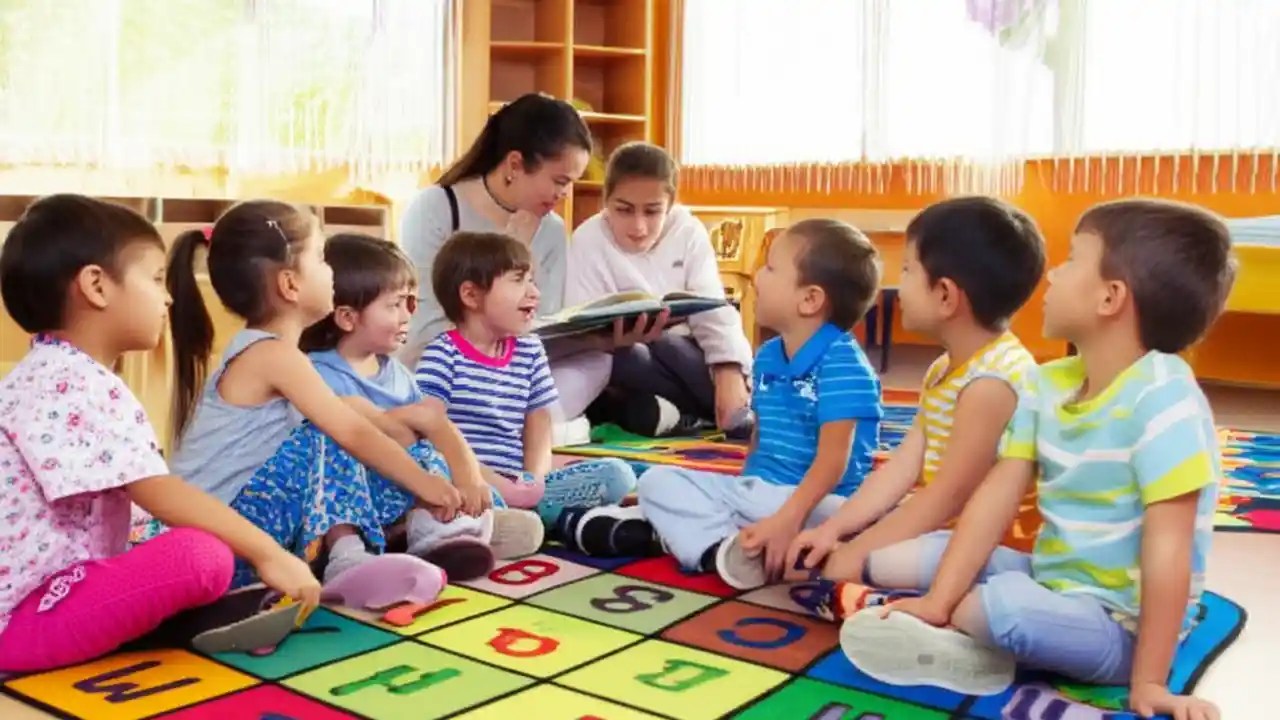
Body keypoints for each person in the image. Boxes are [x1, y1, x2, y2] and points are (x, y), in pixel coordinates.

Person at [844, 199, 1234, 720]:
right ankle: (961, 628)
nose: (1052, 274)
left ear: (1110, 298)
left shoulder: (1165, 399)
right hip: (1053, 579)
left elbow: (1170, 551)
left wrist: (1148, 682)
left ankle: (972, 647)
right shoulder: (1046, 384)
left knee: (997, 606)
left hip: (1121, 627)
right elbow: (995, 497)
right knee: (910, 558)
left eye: (1072, 260)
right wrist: (937, 600)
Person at [0, 195, 319, 672]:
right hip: (23, 619)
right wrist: (269, 554)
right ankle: (171, 625)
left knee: (175, 539)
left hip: (46, 594)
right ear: (96, 287)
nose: (167, 296)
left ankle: (173, 621)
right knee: (202, 556)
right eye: (153, 280)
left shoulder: (46, 372)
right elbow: (158, 491)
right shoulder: (71, 380)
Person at [166, 200, 464, 606]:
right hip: (227, 539)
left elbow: (363, 423)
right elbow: (352, 432)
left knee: (375, 443)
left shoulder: (278, 356)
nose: (331, 272)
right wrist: (424, 482)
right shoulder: (272, 355)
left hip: (241, 533)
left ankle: (429, 528)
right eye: (322, 259)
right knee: (327, 437)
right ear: (290, 285)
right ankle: (349, 558)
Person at [786, 197, 1047, 606]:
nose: (898, 282)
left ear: (945, 295)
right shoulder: (945, 367)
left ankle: (894, 603)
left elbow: (947, 496)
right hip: (937, 526)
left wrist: (855, 554)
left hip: (986, 548)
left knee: (880, 559)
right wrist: (835, 530)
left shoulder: (992, 383)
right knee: (820, 517)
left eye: (907, 269)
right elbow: (903, 469)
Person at [637, 219, 884, 589]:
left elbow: (835, 461)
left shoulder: (844, 366)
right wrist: (744, 487)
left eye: (770, 267)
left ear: (810, 299)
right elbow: (761, 436)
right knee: (655, 480)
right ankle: (724, 549)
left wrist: (786, 517)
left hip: (819, 503)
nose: (756, 277)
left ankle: (721, 537)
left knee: (811, 513)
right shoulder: (768, 355)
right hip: (759, 492)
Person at [300, 233, 546, 577]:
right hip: (349, 500)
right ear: (347, 318)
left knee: (439, 460)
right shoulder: (317, 372)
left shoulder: (397, 373)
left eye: (411, 303)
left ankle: (436, 529)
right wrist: (417, 425)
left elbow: (432, 428)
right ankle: (410, 537)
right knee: (391, 452)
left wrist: (466, 474)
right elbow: (384, 432)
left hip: (403, 490)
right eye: (395, 305)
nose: (408, 316)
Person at [416, 231, 637, 552]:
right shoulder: (443, 354)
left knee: (618, 474)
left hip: (520, 485)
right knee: (451, 489)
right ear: (471, 295)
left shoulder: (529, 350)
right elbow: (429, 432)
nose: (534, 293)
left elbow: (539, 423)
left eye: (533, 281)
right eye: (519, 280)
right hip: (471, 481)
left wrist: (534, 478)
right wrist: (496, 484)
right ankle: (513, 523)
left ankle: (515, 522)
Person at [557, 141, 755, 438]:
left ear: (671, 204)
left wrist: (728, 368)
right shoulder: (588, 238)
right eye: (623, 210)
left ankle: (688, 415)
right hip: (629, 359)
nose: (638, 227)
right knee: (627, 357)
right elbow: (578, 320)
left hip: (688, 356)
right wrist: (607, 339)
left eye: (652, 212)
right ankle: (686, 416)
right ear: (605, 200)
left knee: (670, 345)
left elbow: (713, 312)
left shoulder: (687, 231)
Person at [398, 92, 589, 369]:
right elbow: (424, 329)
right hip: (440, 370)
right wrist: (511, 253)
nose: (566, 194)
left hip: (518, 372)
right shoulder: (436, 209)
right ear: (515, 165)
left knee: (592, 363)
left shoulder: (552, 231)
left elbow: (544, 328)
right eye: (560, 181)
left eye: (572, 183)